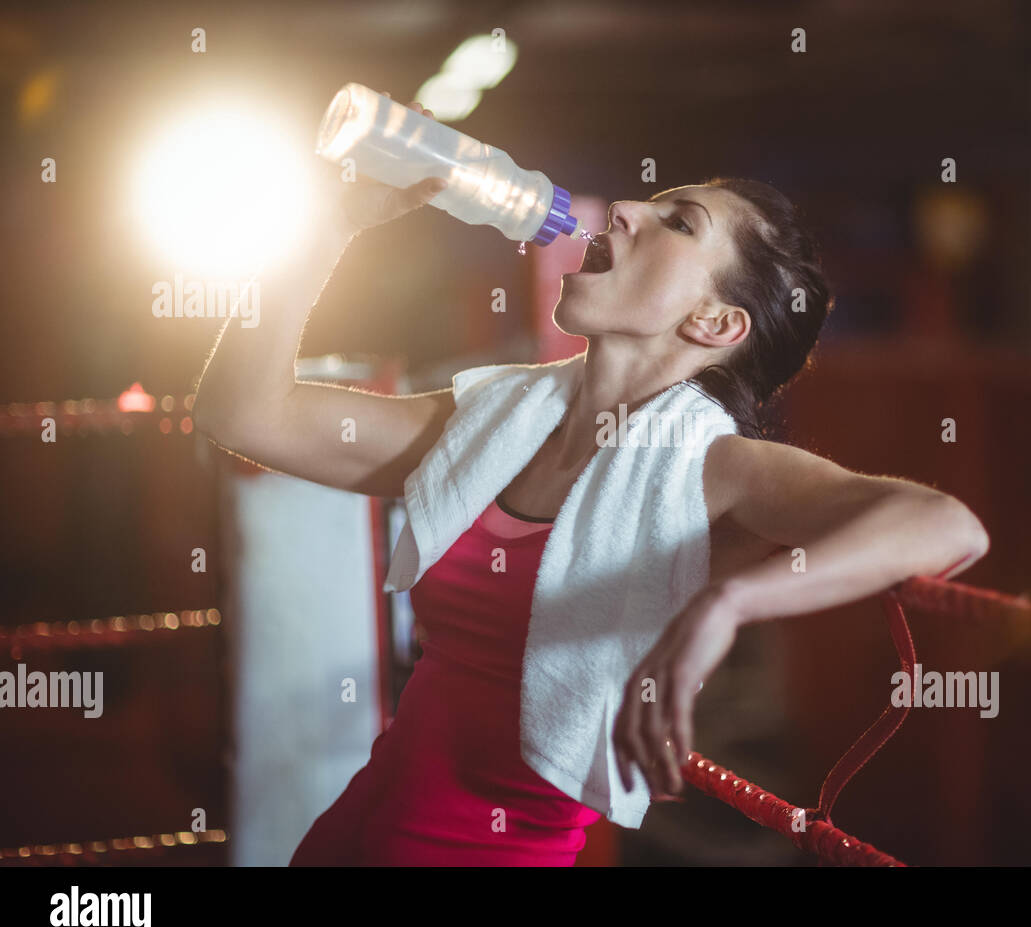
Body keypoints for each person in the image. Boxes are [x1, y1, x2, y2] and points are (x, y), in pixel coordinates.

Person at [194, 101, 990, 865]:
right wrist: (329, 227)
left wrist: (731, 602)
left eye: (679, 223)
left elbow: (948, 525)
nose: (625, 211)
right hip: (351, 831)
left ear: (713, 324)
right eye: (650, 199)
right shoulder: (488, 424)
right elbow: (244, 412)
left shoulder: (713, 468)